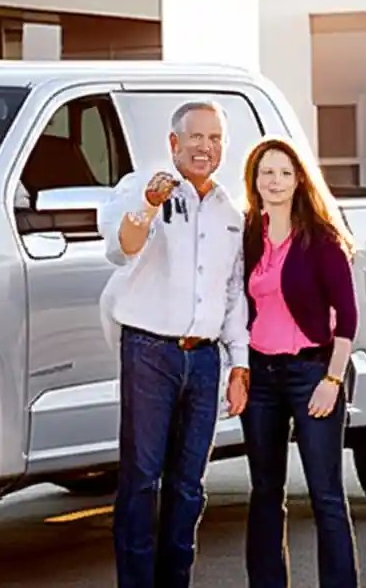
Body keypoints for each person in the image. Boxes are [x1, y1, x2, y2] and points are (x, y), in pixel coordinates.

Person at [97, 100, 251, 588]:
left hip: (204, 361)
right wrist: (147, 204)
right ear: (174, 143)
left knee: (189, 489)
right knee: (141, 481)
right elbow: (121, 247)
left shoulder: (232, 211)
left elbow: (233, 293)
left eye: (215, 139)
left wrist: (239, 365)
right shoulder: (144, 187)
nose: (205, 148)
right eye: (196, 138)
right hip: (150, 354)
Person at [237, 136, 361, 588]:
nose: (275, 181)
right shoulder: (248, 234)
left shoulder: (321, 239)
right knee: (265, 492)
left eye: (285, 172)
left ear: (299, 180)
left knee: (326, 495)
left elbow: (347, 318)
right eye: (266, 172)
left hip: (313, 373)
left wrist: (332, 378)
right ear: (254, 179)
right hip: (262, 378)